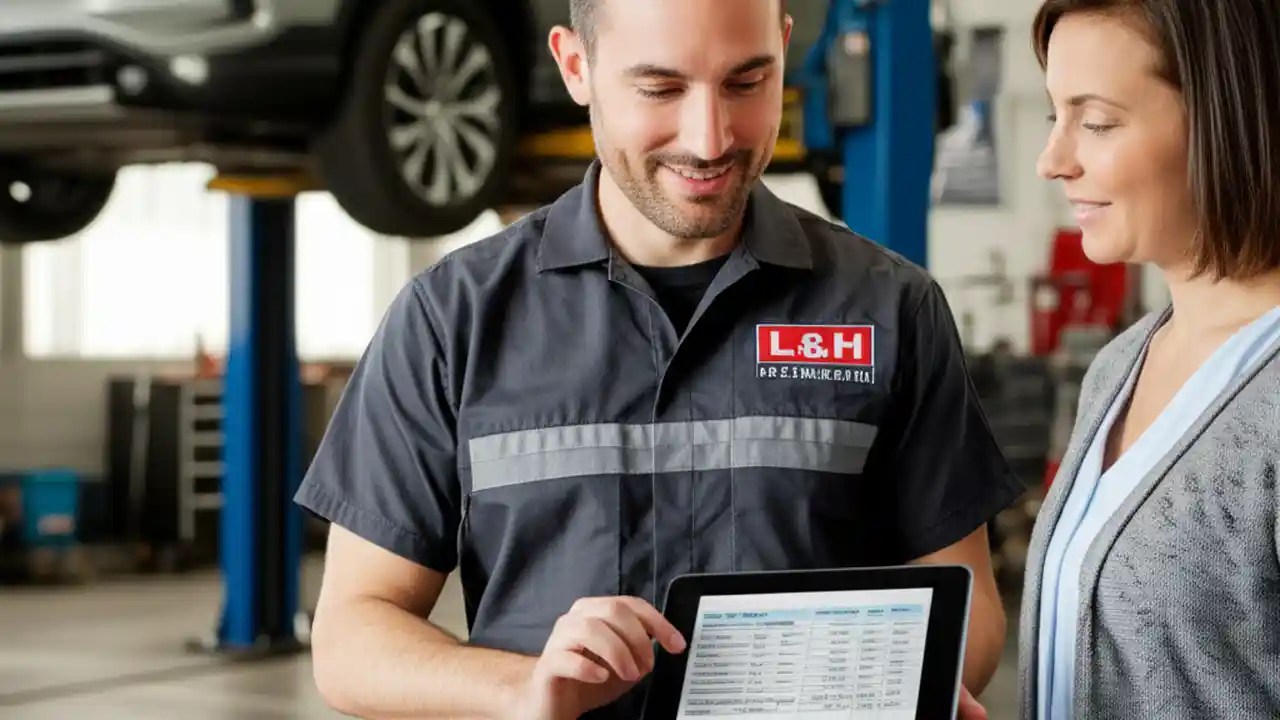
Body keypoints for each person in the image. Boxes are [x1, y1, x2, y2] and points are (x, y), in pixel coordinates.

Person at [297, 1, 1023, 718]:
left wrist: (903, 692)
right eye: (660, 88)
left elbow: (966, 602)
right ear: (576, 66)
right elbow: (352, 637)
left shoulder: (889, 309)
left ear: (784, 48)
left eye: (747, 82)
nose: (710, 139)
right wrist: (522, 689)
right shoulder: (452, 317)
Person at [1022, 1, 1280, 718]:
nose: (1053, 160)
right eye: (1055, 116)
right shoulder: (1121, 365)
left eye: (1097, 122)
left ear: (1229, 120)